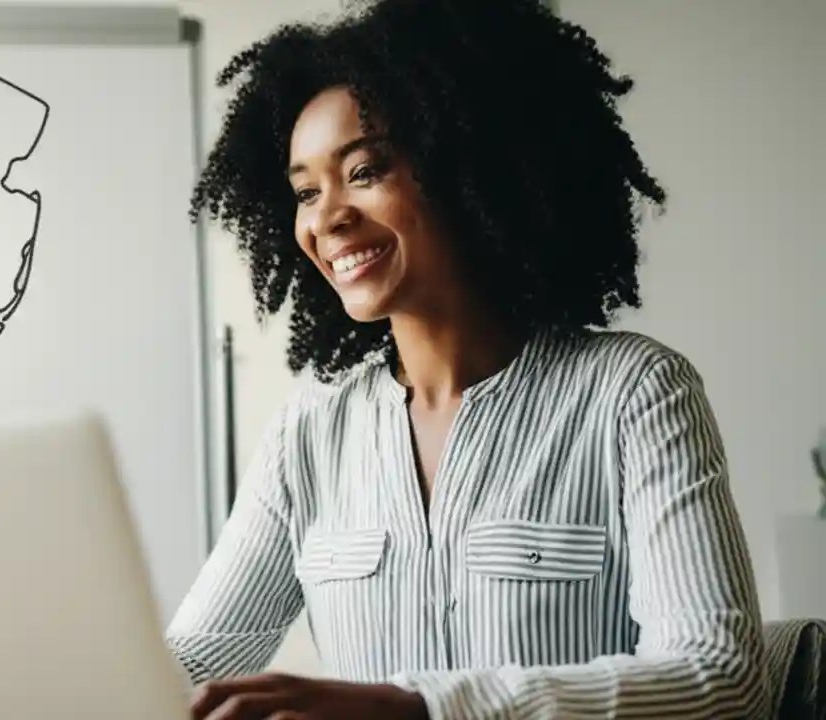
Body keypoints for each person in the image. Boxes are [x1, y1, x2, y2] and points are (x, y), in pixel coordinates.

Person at [166, 1, 768, 718]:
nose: (327, 217)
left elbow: (721, 679)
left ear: (466, 164)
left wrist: (422, 709)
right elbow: (182, 672)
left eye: (365, 169)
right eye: (305, 192)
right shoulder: (307, 437)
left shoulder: (635, 394)